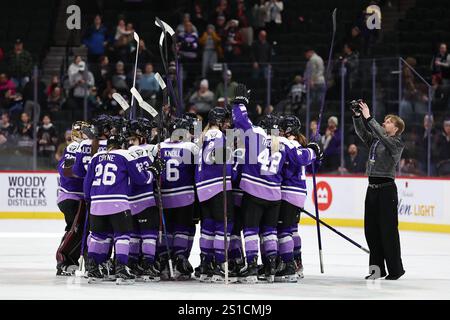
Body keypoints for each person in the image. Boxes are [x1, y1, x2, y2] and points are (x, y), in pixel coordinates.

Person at [231, 84, 321, 283]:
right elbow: (299, 159)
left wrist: (239, 102)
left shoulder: (255, 134)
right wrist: (314, 151)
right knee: (274, 231)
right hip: (276, 195)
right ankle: (272, 266)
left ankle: (254, 266)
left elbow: (239, 120)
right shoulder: (285, 143)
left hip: (255, 192)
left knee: (252, 230)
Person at [83, 134, 163, 284]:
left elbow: (88, 182)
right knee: (122, 236)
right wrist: (153, 171)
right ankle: (121, 269)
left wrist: (89, 200)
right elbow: (141, 179)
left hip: (96, 203)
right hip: (118, 202)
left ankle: (92, 269)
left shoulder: (96, 157)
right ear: (122, 144)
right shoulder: (125, 155)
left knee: (98, 236)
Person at [352, 100, 406, 280]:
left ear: (396, 128)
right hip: (372, 190)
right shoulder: (377, 139)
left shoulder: (397, 143)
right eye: (385, 120)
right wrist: (357, 117)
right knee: (372, 231)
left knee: (388, 231)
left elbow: (381, 135)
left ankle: (395, 270)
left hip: (386, 191)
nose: (385, 123)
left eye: (389, 122)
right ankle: (377, 270)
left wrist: (370, 118)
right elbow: (362, 134)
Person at [157, 118, 199, 280]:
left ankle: (163, 264)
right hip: (185, 196)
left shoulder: (159, 147)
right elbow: (198, 172)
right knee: (182, 229)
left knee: (167, 231)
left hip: (164, 197)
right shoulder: (191, 148)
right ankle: (179, 262)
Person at [195, 107, 234, 282]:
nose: (228, 123)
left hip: (203, 188)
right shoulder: (216, 135)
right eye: (225, 120)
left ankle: (206, 265)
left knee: (208, 227)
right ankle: (220, 266)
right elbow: (211, 156)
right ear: (218, 121)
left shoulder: (202, 135)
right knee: (223, 226)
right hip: (217, 185)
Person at [277, 115, 317, 281]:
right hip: (299, 192)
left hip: (288, 191)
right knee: (293, 229)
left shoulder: (287, 144)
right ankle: (297, 262)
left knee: (283, 230)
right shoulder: (301, 144)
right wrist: (314, 151)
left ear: (287, 130)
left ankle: (288, 266)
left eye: (280, 128)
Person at [125, 119, 161, 281]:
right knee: (149, 234)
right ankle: (147, 265)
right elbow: (150, 174)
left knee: (133, 234)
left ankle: (132, 264)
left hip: (127, 201)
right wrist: (156, 169)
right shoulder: (150, 149)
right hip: (145, 199)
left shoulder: (123, 151)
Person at [55, 121, 89, 275]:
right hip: (72, 197)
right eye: (84, 132)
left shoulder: (82, 147)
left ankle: (72, 261)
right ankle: (63, 261)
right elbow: (65, 171)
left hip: (77, 197)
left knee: (80, 230)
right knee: (74, 229)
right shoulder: (74, 147)